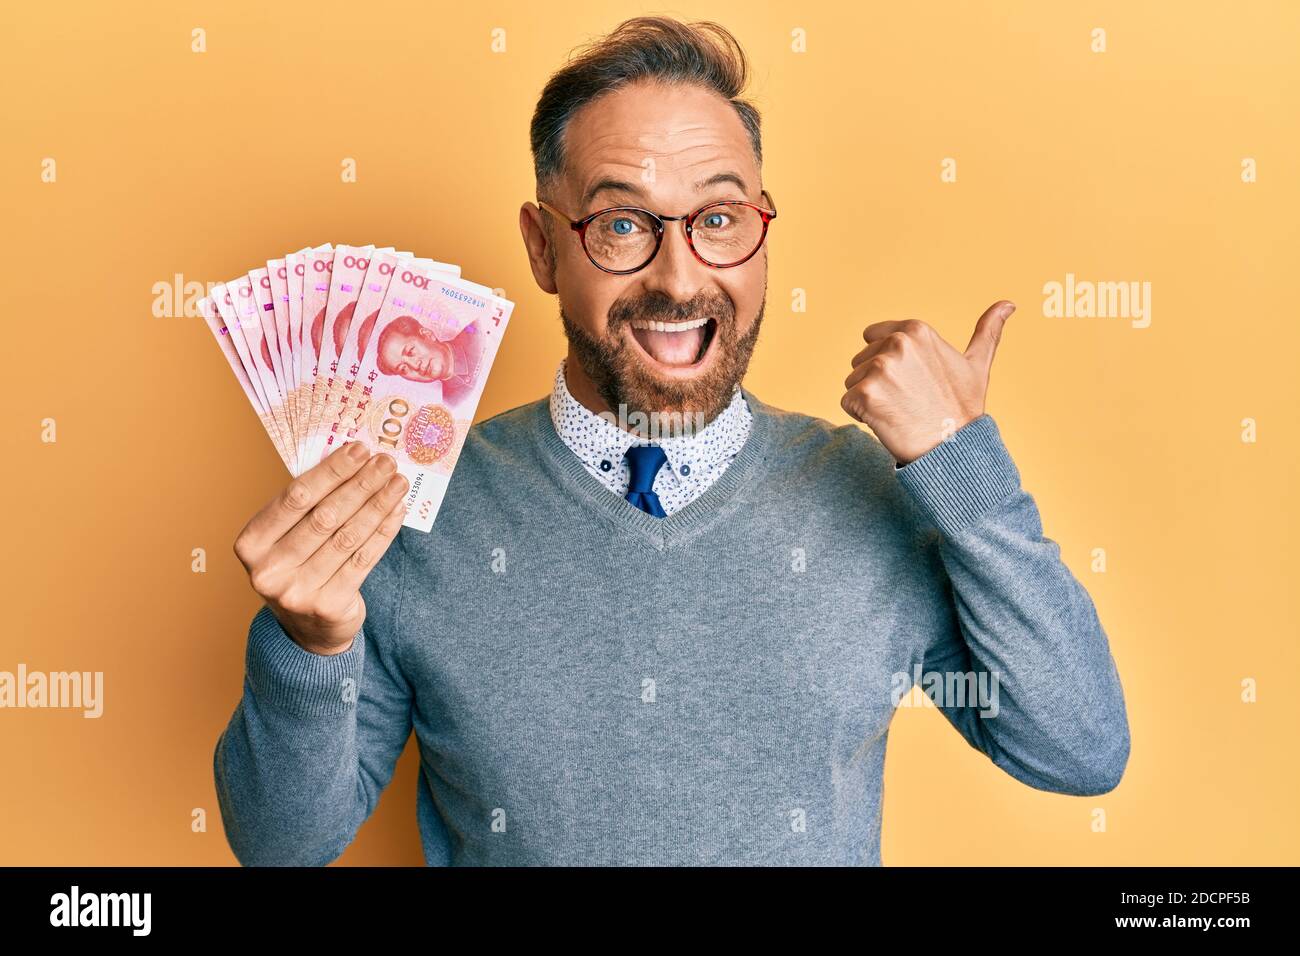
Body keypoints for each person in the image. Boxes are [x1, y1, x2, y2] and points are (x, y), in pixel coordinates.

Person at [214, 15, 1130, 866]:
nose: (681, 276)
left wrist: (961, 464)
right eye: (621, 225)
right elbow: (283, 844)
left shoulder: (879, 494)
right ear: (542, 248)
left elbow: (1079, 747)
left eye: (719, 219)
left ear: (764, 237)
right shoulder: (415, 502)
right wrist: (308, 643)